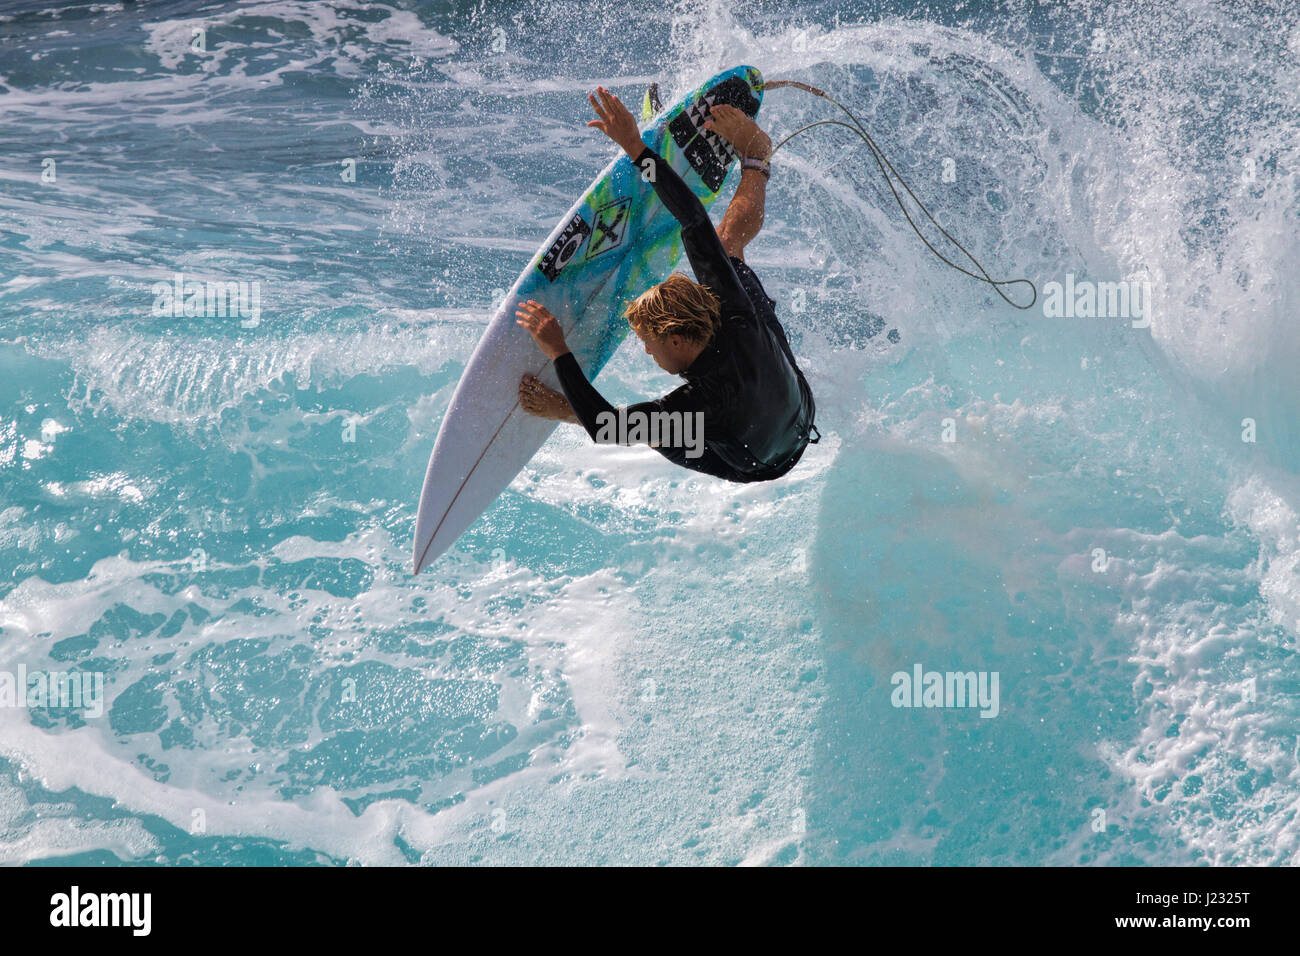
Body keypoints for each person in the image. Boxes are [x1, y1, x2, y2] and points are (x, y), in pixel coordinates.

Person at [514, 85, 817, 482]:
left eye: (646, 341)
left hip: (760, 461)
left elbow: (607, 427)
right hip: (794, 400)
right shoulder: (732, 307)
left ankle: (568, 409)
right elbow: (691, 217)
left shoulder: (692, 406)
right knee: (724, 247)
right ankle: (756, 158)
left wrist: (558, 351)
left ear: (675, 340)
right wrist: (637, 149)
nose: (645, 351)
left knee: (662, 434)